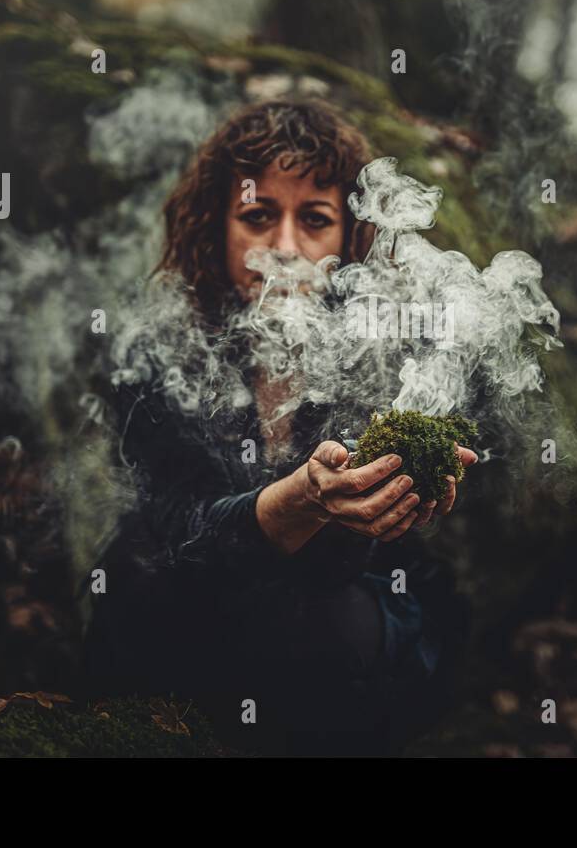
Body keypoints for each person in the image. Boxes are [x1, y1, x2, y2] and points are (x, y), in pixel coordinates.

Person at [81, 99, 475, 754]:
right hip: (182, 601)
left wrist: (365, 506)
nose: (285, 247)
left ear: (351, 240)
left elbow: (338, 573)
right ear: (217, 229)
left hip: (334, 624)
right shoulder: (155, 349)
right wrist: (288, 503)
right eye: (259, 215)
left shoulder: (382, 355)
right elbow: (181, 524)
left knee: (323, 622)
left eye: (314, 219)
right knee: (142, 580)